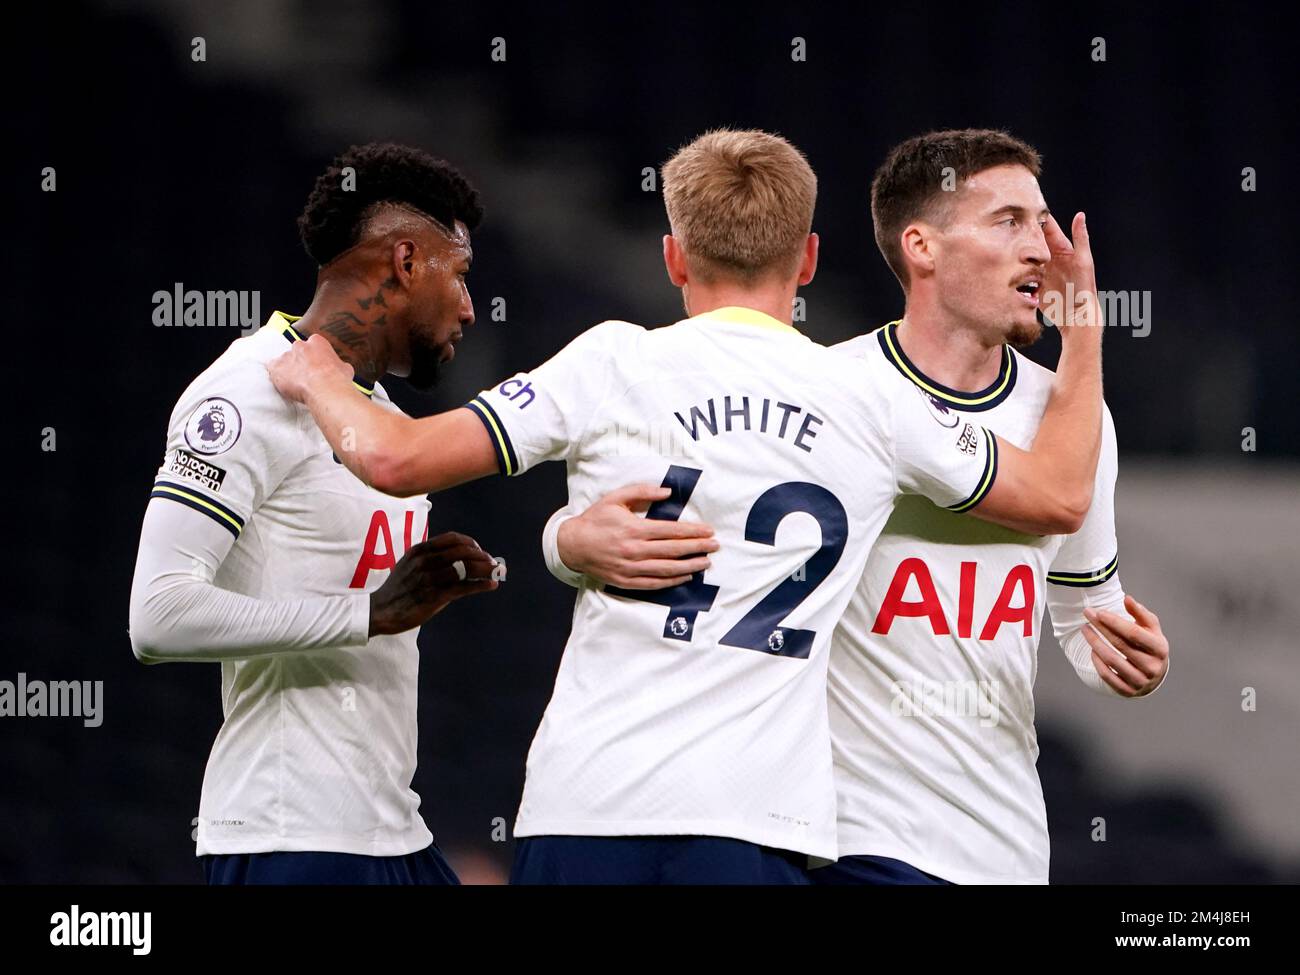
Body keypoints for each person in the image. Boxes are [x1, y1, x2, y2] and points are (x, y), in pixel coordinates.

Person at [268, 128, 1106, 884]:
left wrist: (320, 377)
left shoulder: (610, 361)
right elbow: (1060, 494)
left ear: (673, 257)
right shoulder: (870, 399)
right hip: (752, 825)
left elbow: (391, 456)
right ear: (809, 259)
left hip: (584, 809)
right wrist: (1083, 328)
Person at [544, 129, 1169, 885]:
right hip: (851, 836)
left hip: (1003, 842)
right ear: (922, 247)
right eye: (1009, 221)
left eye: (1043, 222)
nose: (1044, 247)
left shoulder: (1074, 422)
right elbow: (685, 524)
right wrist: (567, 538)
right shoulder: (826, 393)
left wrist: (1122, 658)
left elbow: (1080, 611)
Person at [128, 142, 499, 885]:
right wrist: (368, 613)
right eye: (458, 274)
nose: (467, 304)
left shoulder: (379, 419)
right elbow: (157, 614)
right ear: (404, 262)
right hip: (291, 835)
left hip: (391, 831)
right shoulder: (240, 395)